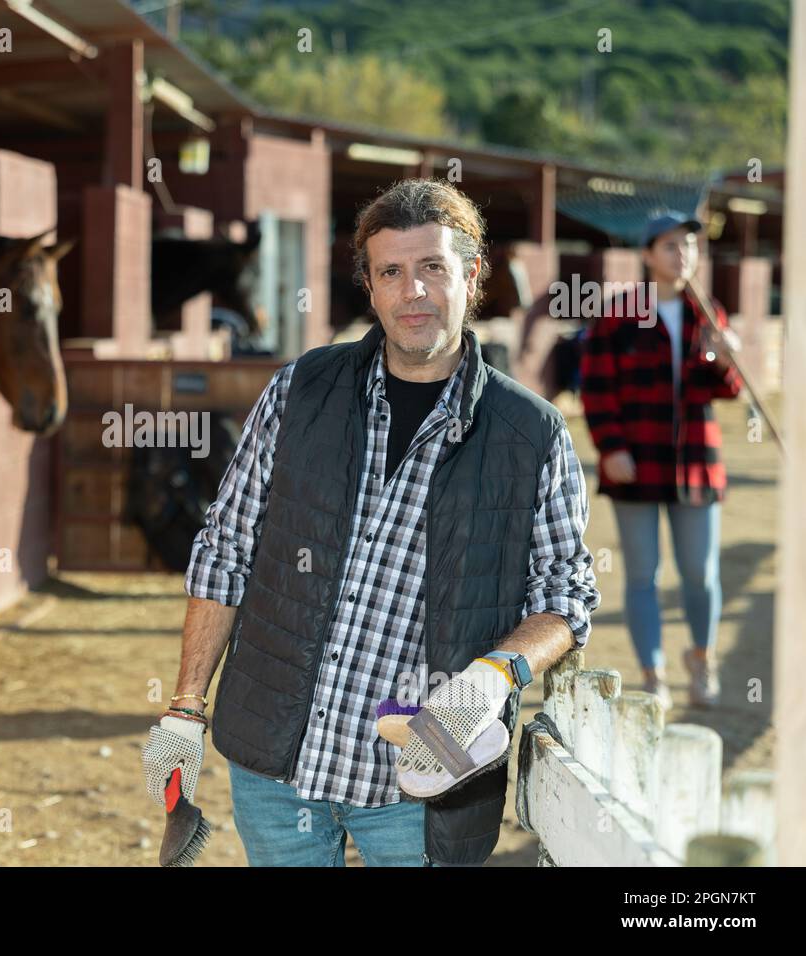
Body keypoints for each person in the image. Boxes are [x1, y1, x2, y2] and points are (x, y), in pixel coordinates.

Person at [142, 179, 601, 867]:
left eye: (432, 268)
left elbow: (567, 596)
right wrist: (185, 704)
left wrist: (497, 674)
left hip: (425, 779)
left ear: (471, 275)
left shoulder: (532, 435)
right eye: (391, 272)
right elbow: (225, 548)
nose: (412, 291)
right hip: (276, 765)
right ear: (370, 285)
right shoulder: (301, 391)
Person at [578, 211, 744, 712]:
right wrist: (611, 448)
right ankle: (653, 674)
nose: (683, 255)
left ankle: (701, 659)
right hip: (635, 462)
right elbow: (596, 387)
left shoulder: (708, 313)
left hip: (696, 460)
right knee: (642, 574)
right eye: (671, 246)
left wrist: (726, 357)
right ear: (648, 255)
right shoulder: (619, 314)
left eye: (689, 246)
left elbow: (725, 391)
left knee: (700, 572)